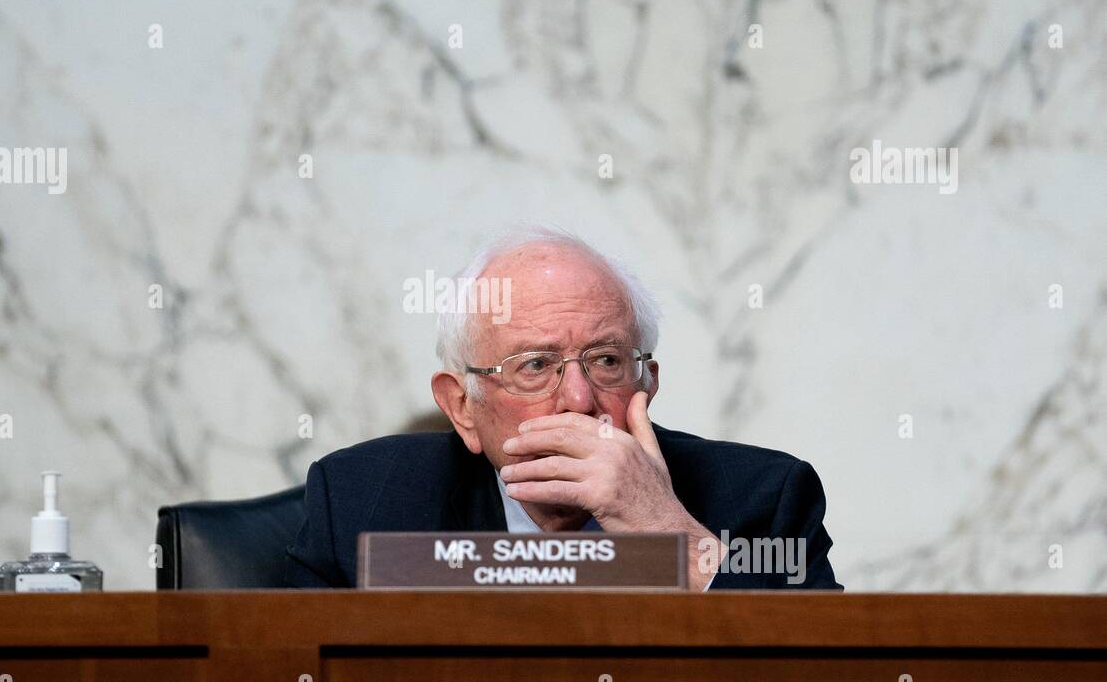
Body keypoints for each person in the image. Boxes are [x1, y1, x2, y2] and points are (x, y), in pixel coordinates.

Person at [284, 226, 841, 591]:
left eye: (606, 361)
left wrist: (665, 533)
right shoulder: (363, 502)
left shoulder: (767, 499)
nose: (578, 399)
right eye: (534, 365)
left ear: (646, 383)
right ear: (462, 407)